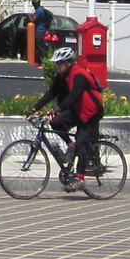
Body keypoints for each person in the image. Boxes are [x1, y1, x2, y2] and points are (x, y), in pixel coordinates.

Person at [30, 45, 105, 177]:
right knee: (56, 123)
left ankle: (80, 179)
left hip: (91, 112)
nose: (57, 66)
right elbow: (51, 93)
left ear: (69, 62)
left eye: (60, 63)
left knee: (81, 142)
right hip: (78, 110)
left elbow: (74, 95)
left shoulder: (79, 74)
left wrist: (58, 109)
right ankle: (71, 146)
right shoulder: (62, 76)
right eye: (57, 63)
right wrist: (34, 109)